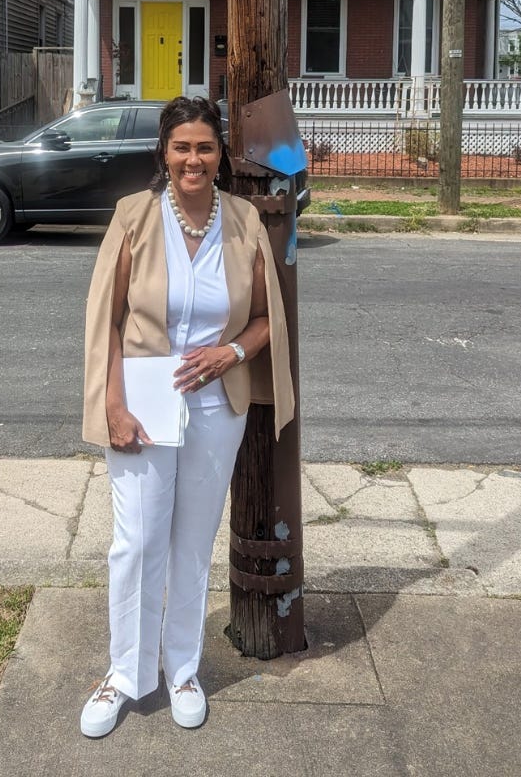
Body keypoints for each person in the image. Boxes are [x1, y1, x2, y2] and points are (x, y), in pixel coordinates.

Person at [78, 95, 294, 738]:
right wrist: (112, 404)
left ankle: (182, 670)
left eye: (205, 147)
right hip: (142, 402)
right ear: (164, 155)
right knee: (136, 541)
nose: (193, 159)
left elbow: (264, 318)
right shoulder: (135, 217)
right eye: (181, 147)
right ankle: (123, 675)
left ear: (221, 155)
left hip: (214, 406)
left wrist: (230, 350)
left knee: (192, 543)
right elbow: (107, 320)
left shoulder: (244, 221)